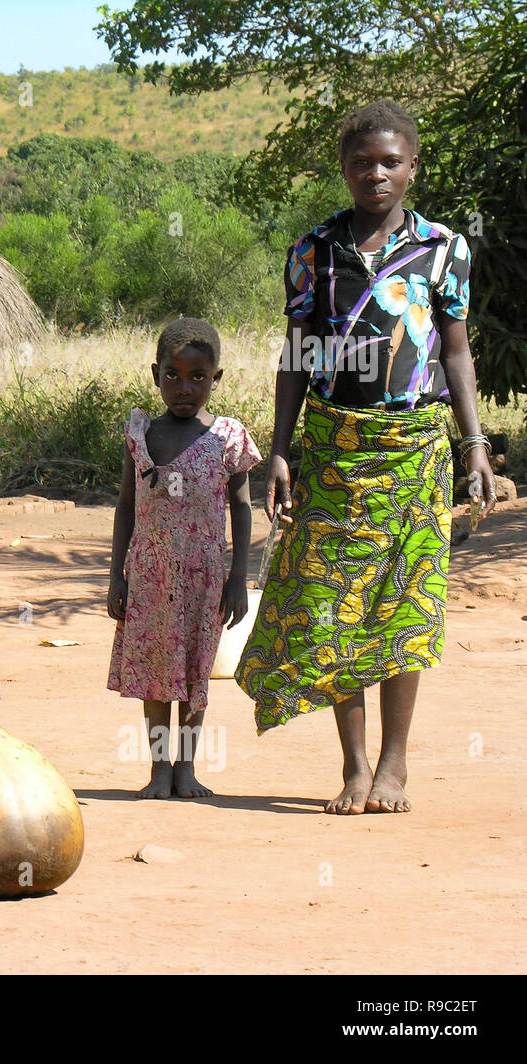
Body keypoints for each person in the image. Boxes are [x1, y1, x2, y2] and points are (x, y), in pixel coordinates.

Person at [235, 99, 498, 814]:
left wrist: (474, 443)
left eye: (389, 162)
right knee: (333, 609)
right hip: (331, 449)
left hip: (415, 450)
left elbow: (454, 350)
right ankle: (352, 767)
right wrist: (280, 449)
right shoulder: (312, 252)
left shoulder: (445, 249)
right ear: (343, 171)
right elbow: (295, 356)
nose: (375, 174)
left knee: (403, 609)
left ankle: (395, 767)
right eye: (361, 163)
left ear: (413, 167)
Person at [107, 318, 260, 798]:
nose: (184, 388)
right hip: (150, 578)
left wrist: (239, 578)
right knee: (155, 675)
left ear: (217, 379)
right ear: (155, 375)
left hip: (205, 578)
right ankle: (158, 770)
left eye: (198, 377)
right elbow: (126, 507)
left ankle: (187, 767)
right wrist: (118, 575)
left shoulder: (228, 439)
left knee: (196, 674)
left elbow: (242, 508)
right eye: (172, 375)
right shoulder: (140, 435)